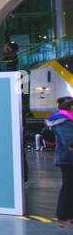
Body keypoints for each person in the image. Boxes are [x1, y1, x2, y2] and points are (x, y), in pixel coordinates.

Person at [46, 96, 73, 226]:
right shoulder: (62, 122)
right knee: (68, 188)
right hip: (68, 159)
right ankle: (63, 217)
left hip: (68, 158)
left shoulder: (66, 121)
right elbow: (70, 140)